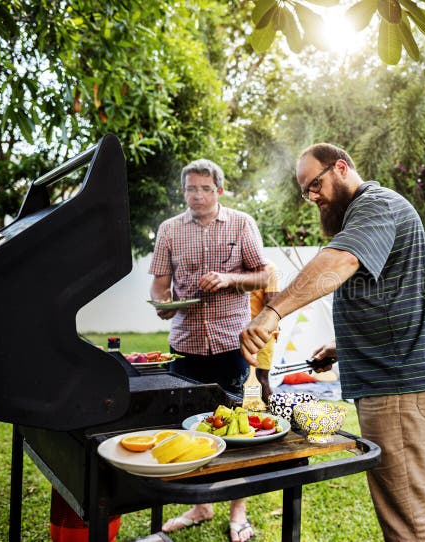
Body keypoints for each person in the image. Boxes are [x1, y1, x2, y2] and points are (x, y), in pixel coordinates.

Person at [239, 143, 425, 542]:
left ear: (341, 168)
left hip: (399, 383)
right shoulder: (368, 212)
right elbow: (395, 298)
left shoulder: (375, 204)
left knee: (408, 522)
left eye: (315, 185)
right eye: (306, 191)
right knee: (403, 512)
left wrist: (272, 312)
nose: (313, 197)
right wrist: (340, 347)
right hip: (393, 379)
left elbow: (340, 261)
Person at [149, 158, 270, 542]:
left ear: (218, 190)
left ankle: (238, 512)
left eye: (205, 188)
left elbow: (264, 275)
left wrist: (230, 279)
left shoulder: (241, 223)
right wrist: (163, 304)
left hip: (232, 343)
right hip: (184, 345)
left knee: (237, 428)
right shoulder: (169, 230)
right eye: (191, 189)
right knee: (188, 426)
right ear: (183, 191)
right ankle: (201, 505)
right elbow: (159, 287)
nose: (197, 195)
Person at [244, 262, 280, 409]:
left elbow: (271, 302)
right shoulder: (235, 269)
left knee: (261, 379)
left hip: (263, 332)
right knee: (253, 379)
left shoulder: (269, 268)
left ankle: (274, 413)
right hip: (242, 333)